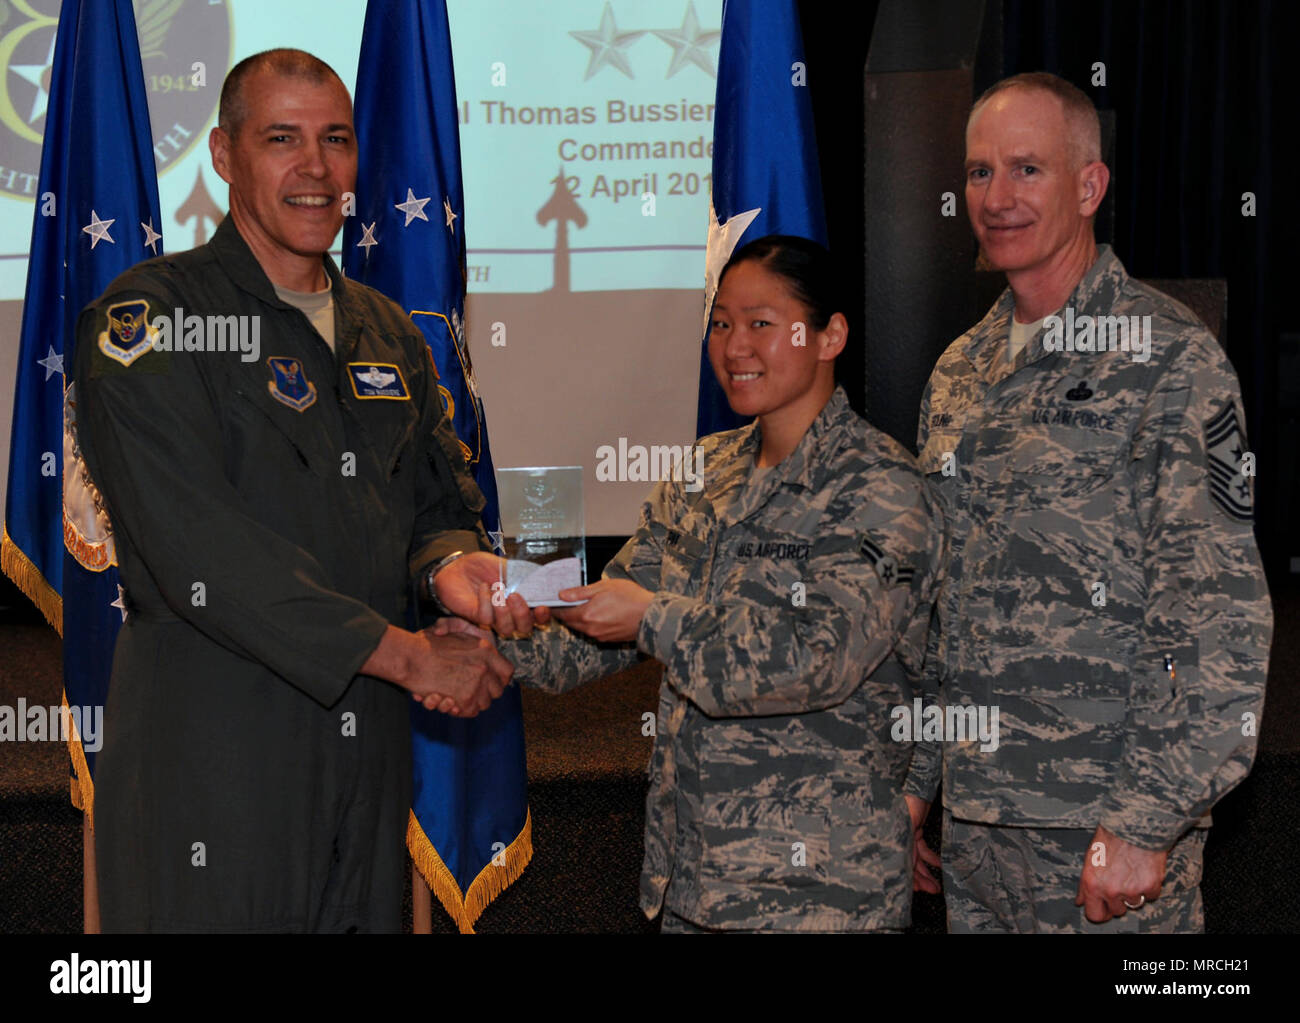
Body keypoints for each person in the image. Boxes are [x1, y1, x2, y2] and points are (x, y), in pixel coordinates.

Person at [72, 49, 533, 933]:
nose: (315, 168)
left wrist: (453, 573)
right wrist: (411, 656)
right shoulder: (150, 323)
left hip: (366, 759)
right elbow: (202, 553)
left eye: (336, 140)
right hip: (216, 764)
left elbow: (437, 507)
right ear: (221, 153)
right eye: (282, 138)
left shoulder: (387, 329)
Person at [439, 236, 945, 931]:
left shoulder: (883, 488)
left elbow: (816, 660)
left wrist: (652, 618)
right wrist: (501, 615)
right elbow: (592, 639)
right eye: (721, 323)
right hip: (692, 885)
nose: (735, 345)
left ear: (829, 335)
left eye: (761, 323)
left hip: (823, 896)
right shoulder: (703, 474)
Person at [904, 72, 1273, 932]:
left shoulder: (1174, 362)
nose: (997, 197)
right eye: (980, 172)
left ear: (1089, 184)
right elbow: (934, 607)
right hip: (979, 835)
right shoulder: (959, 371)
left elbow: (1217, 619)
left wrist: (1147, 820)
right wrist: (918, 782)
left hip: (1104, 839)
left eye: (1027, 169)